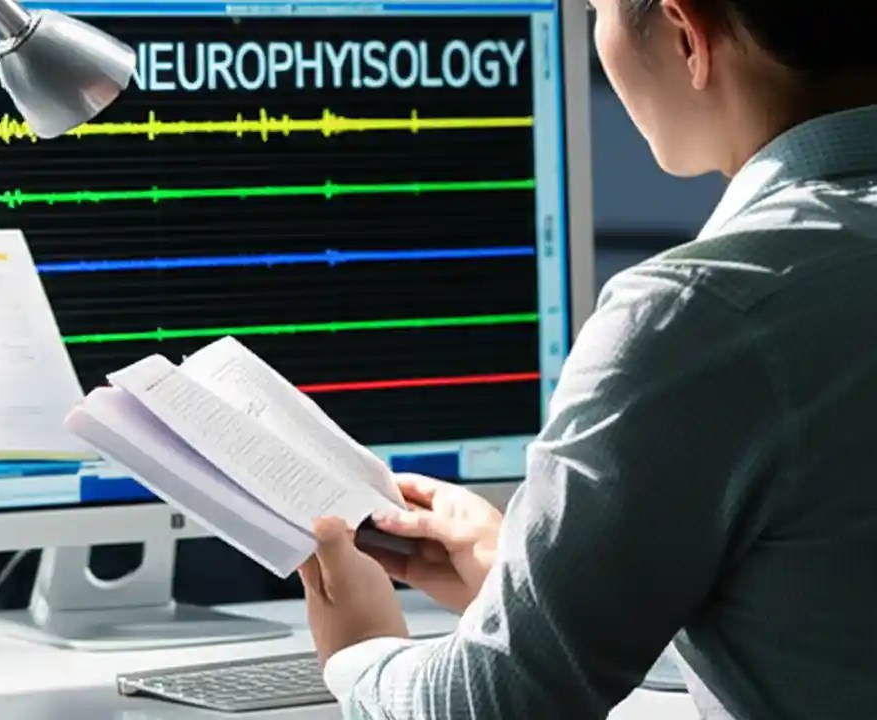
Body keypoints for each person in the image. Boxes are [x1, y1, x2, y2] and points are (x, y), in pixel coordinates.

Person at [298, 0, 877, 717]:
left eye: (596, 9)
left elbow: (491, 707)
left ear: (685, 33)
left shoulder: (698, 313)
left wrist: (357, 652)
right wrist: (545, 583)